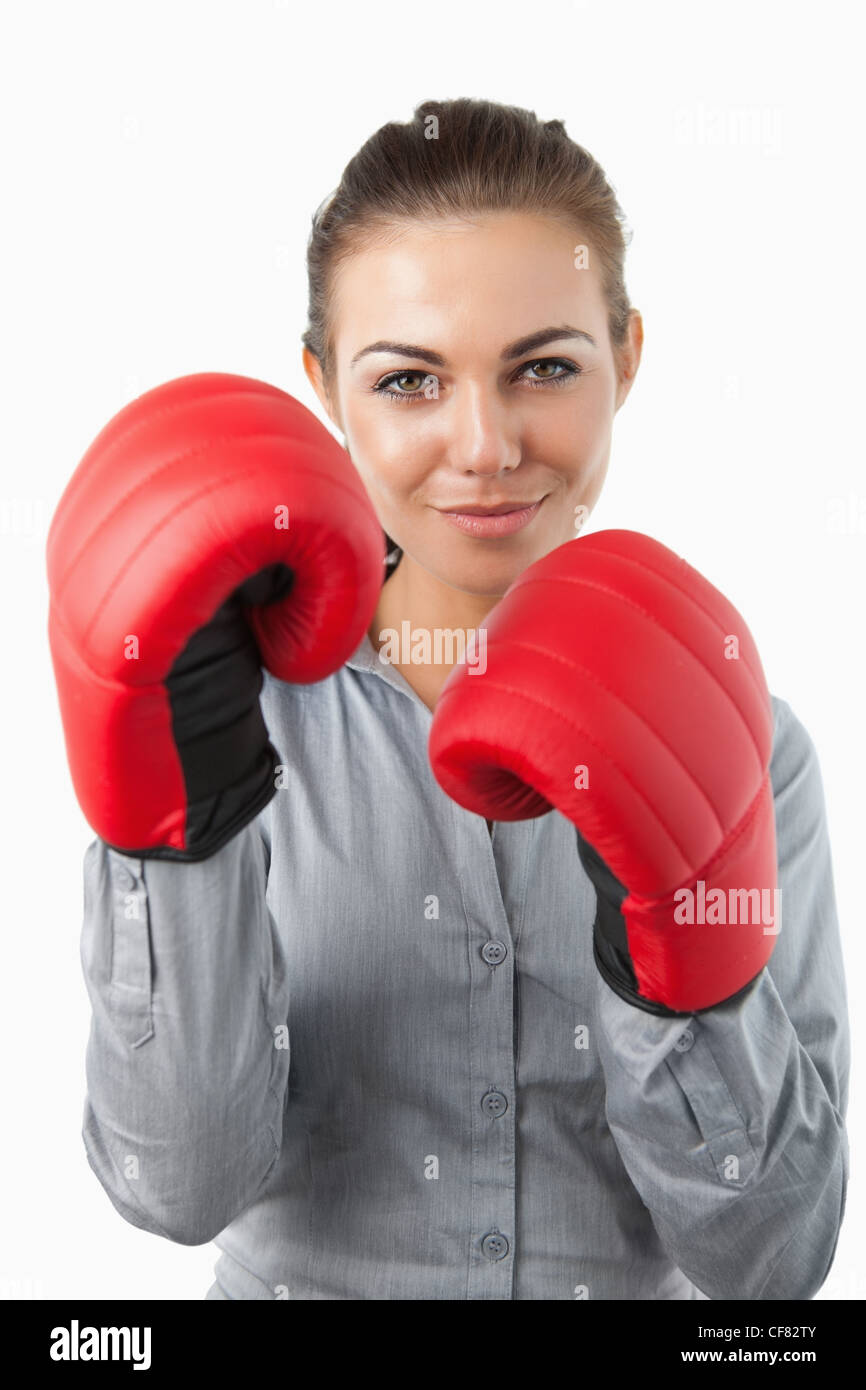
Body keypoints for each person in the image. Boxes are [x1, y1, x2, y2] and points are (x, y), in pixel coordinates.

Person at [64, 98, 848, 1299]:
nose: (482, 446)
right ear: (326, 389)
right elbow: (176, 1189)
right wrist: (176, 827)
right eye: (408, 380)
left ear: (627, 357)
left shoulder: (747, 743)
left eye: (543, 367)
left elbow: (772, 1264)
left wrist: (674, 955)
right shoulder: (229, 712)